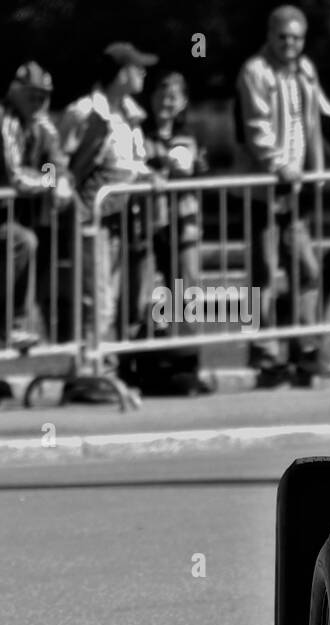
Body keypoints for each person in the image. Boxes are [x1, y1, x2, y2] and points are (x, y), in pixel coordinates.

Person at [234, 4, 330, 380]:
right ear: (270, 35)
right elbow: (255, 126)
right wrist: (279, 165)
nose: (289, 44)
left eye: (296, 37)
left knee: (304, 268)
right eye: (283, 36)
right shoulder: (254, 71)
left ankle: (303, 347)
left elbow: (326, 118)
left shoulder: (305, 70)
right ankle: (263, 353)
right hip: (264, 191)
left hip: (298, 191)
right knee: (262, 273)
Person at [117, 69, 211, 394]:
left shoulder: (190, 135)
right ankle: (134, 364)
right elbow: (133, 165)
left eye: (173, 96)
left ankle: (186, 365)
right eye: (160, 94)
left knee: (184, 292)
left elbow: (201, 172)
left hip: (181, 221)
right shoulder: (137, 131)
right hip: (146, 222)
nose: (166, 102)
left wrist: (195, 168)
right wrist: (160, 167)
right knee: (140, 293)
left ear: (183, 101)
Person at [61, 42, 159, 349]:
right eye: (136, 66)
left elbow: (129, 163)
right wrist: (58, 188)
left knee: (111, 300)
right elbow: (54, 161)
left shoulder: (131, 115)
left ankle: (102, 368)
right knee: (98, 301)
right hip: (91, 218)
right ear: (119, 73)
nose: (143, 72)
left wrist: (149, 174)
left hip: (121, 219)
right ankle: (89, 373)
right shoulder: (85, 112)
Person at [0, 61, 72, 350]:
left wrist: (55, 179)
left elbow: (54, 163)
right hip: (7, 220)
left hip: (19, 216)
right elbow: (15, 176)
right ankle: (13, 324)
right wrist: (49, 183)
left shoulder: (43, 126)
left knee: (36, 243)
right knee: (24, 241)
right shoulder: (4, 120)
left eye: (44, 95)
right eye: (32, 94)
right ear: (15, 91)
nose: (39, 101)